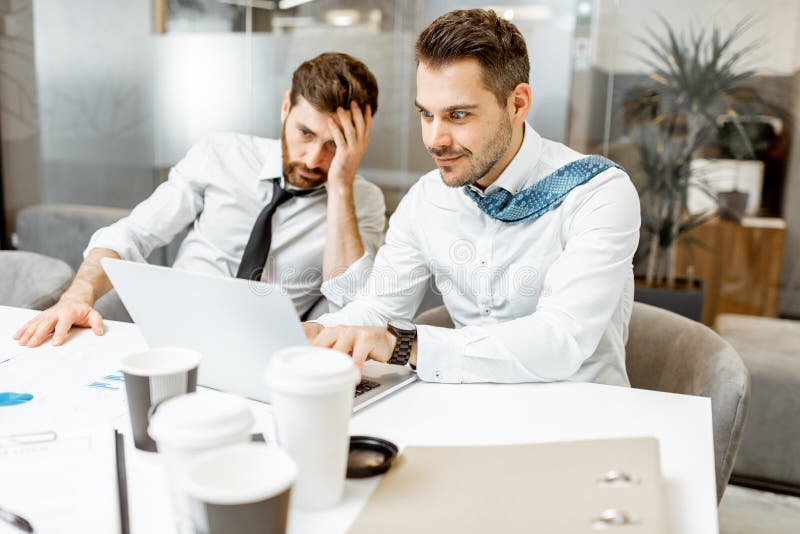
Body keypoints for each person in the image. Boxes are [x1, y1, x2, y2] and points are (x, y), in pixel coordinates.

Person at [304, 9, 641, 386]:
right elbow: (378, 308)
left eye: (458, 115)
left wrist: (406, 346)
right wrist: (315, 332)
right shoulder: (426, 199)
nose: (435, 140)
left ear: (517, 104)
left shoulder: (597, 192)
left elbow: (560, 339)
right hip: (469, 404)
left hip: (582, 410)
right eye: (426, 115)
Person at [16, 52, 386, 348]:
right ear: (286, 107)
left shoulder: (362, 199)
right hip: (170, 333)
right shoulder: (221, 154)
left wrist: (341, 187)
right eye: (305, 133)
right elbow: (134, 234)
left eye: (334, 144)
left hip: (266, 352)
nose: (313, 159)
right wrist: (77, 295)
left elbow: (354, 304)